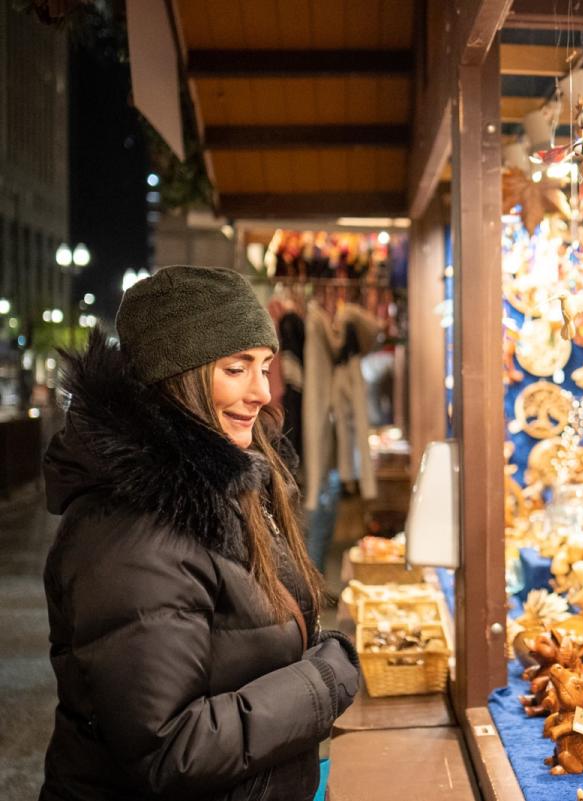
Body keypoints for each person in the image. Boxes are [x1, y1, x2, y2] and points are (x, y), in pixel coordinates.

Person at [40, 266, 359, 801]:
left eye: (265, 367)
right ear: (178, 378)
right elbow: (169, 748)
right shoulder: (136, 529)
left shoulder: (231, 485)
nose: (261, 393)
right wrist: (323, 682)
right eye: (236, 369)